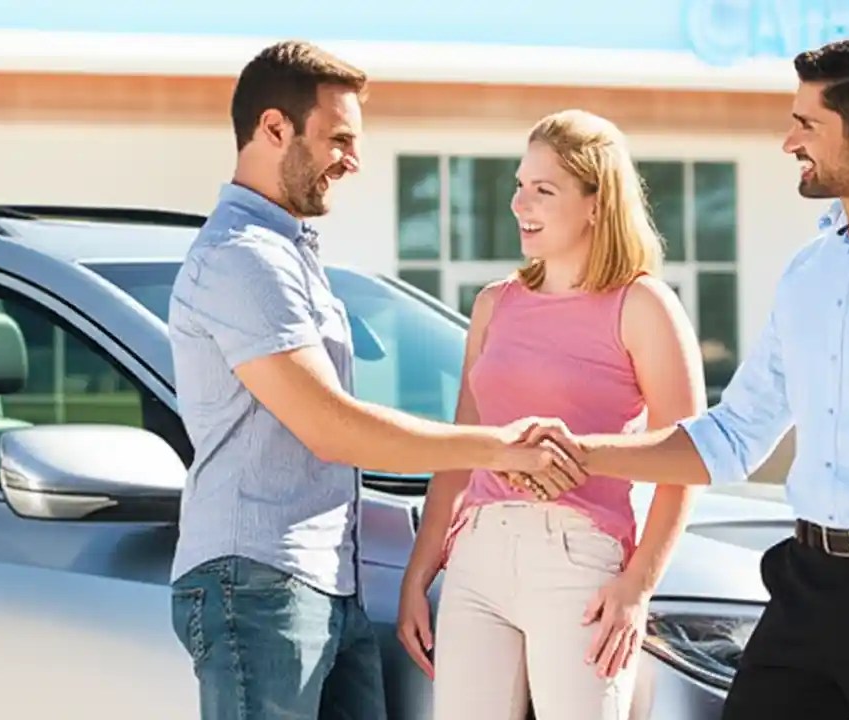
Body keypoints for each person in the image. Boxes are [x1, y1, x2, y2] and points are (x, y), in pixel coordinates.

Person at [527, 39, 849, 720]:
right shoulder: (810, 270)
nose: (788, 142)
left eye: (807, 124)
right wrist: (579, 454)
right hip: (810, 584)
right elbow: (733, 436)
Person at [166, 40, 582, 720]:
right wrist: (498, 447)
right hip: (259, 582)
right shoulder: (243, 262)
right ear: (274, 129)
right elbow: (332, 428)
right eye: (338, 139)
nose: (353, 161)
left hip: (325, 583)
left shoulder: (290, 256)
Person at [395, 108, 707, 720]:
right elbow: (460, 451)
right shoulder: (494, 304)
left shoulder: (643, 305)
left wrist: (637, 585)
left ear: (597, 203)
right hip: (477, 560)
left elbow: (690, 458)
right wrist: (420, 571)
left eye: (544, 190)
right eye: (519, 186)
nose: (520, 204)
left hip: (579, 562)